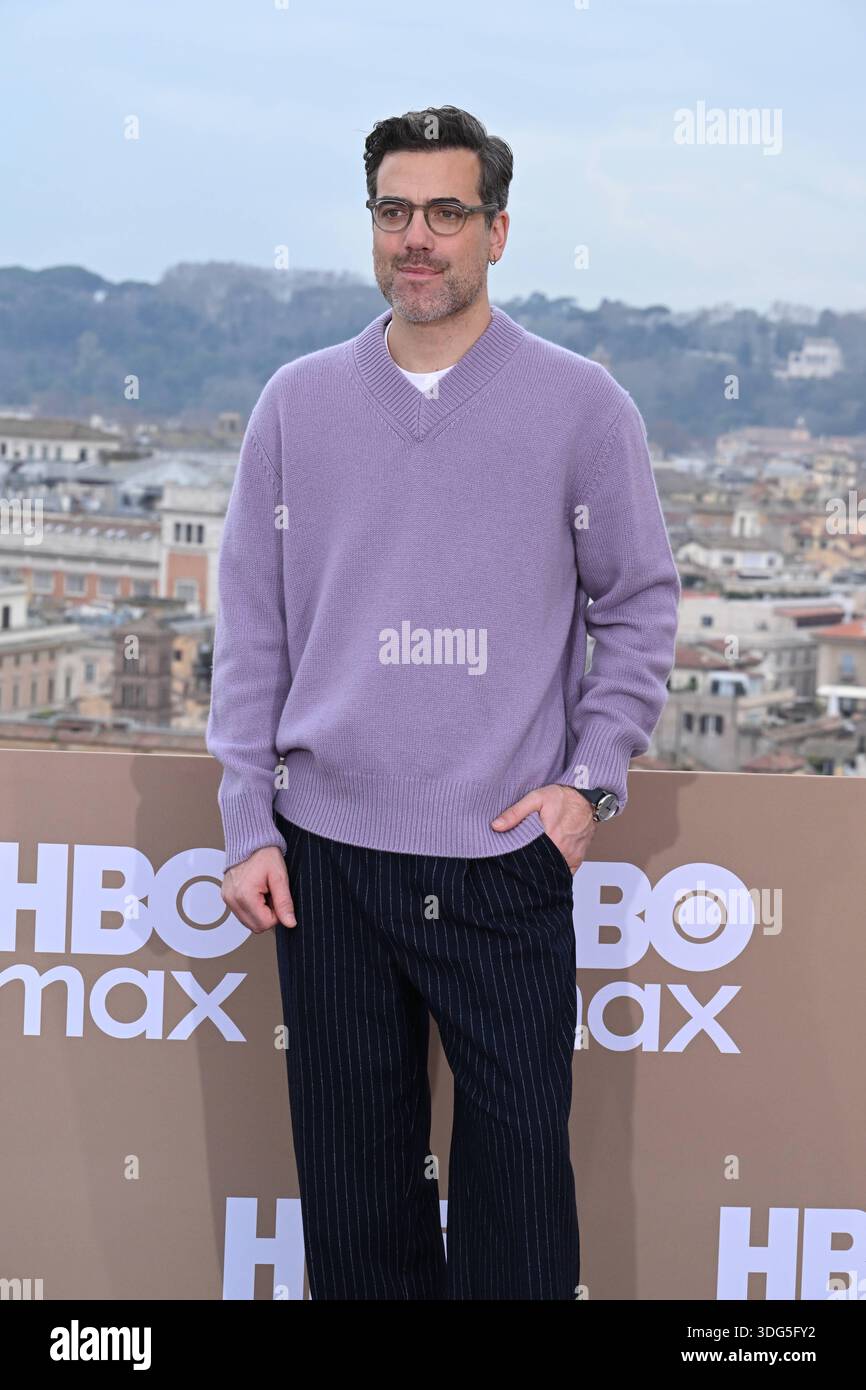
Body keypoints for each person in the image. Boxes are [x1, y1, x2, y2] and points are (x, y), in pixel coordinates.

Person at [206, 104, 680, 1300]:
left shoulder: (581, 406)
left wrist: (589, 784)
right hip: (323, 860)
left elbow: (637, 607)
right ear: (372, 225)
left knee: (518, 1212)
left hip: (503, 855)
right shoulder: (293, 404)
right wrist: (245, 822)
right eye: (393, 211)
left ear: (497, 231)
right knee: (359, 1211)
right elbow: (251, 630)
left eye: (446, 214)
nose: (417, 238)